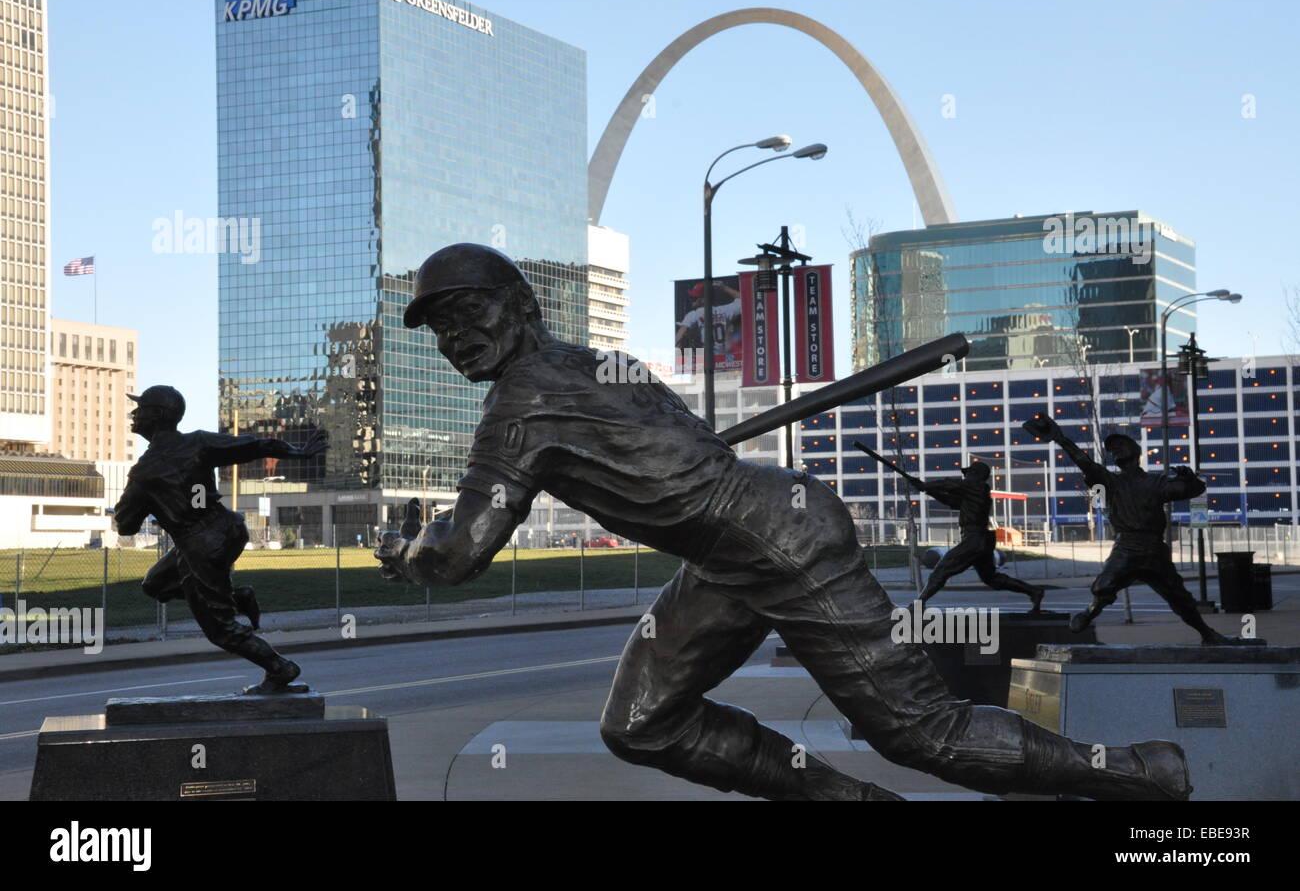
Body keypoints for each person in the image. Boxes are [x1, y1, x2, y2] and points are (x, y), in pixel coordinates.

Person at [375, 243, 1191, 801]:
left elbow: (458, 557)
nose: (456, 337)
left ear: (521, 304)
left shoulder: (522, 403)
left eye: (469, 312)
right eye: (441, 327)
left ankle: (1142, 769)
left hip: (775, 539)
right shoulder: (588, 363)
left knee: (920, 731)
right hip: (727, 553)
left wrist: (407, 551)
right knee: (640, 721)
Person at [113, 386, 328, 692]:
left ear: (158, 415)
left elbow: (126, 527)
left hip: (199, 543)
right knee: (155, 584)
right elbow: (253, 444)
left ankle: (281, 669)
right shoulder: (198, 442)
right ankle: (237, 597)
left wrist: (153, 507)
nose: (135, 414)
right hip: (227, 527)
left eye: (141, 408)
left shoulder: (145, 473)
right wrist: (298, 452)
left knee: (221, 630)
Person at [1023, 413, 1238, 644]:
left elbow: (1192, 491)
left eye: (1120, 446)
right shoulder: (1111, 482)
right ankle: (1090, 613)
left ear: (1136, 452)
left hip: (1154, 549)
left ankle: (1208, 635)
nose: (1115, 451)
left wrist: (1189, 479)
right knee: (1104, 585)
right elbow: (1085, 462)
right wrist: (1061, 439)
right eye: (1112, 450)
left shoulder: (1156, 483)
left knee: (1180, 598)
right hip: (1127, 546)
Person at [914, 461, 1045, 610]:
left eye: (968, 473)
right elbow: (950, 500)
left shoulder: (977, 487)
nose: (965, 476)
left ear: (976, 475)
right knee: (992, 579)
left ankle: (919, 604)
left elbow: (949, 484)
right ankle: (1034, 591)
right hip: (981, 539)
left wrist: (925, 485)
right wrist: (927, 490)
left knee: (942, 570)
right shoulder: (975, 493)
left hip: (974, 539)